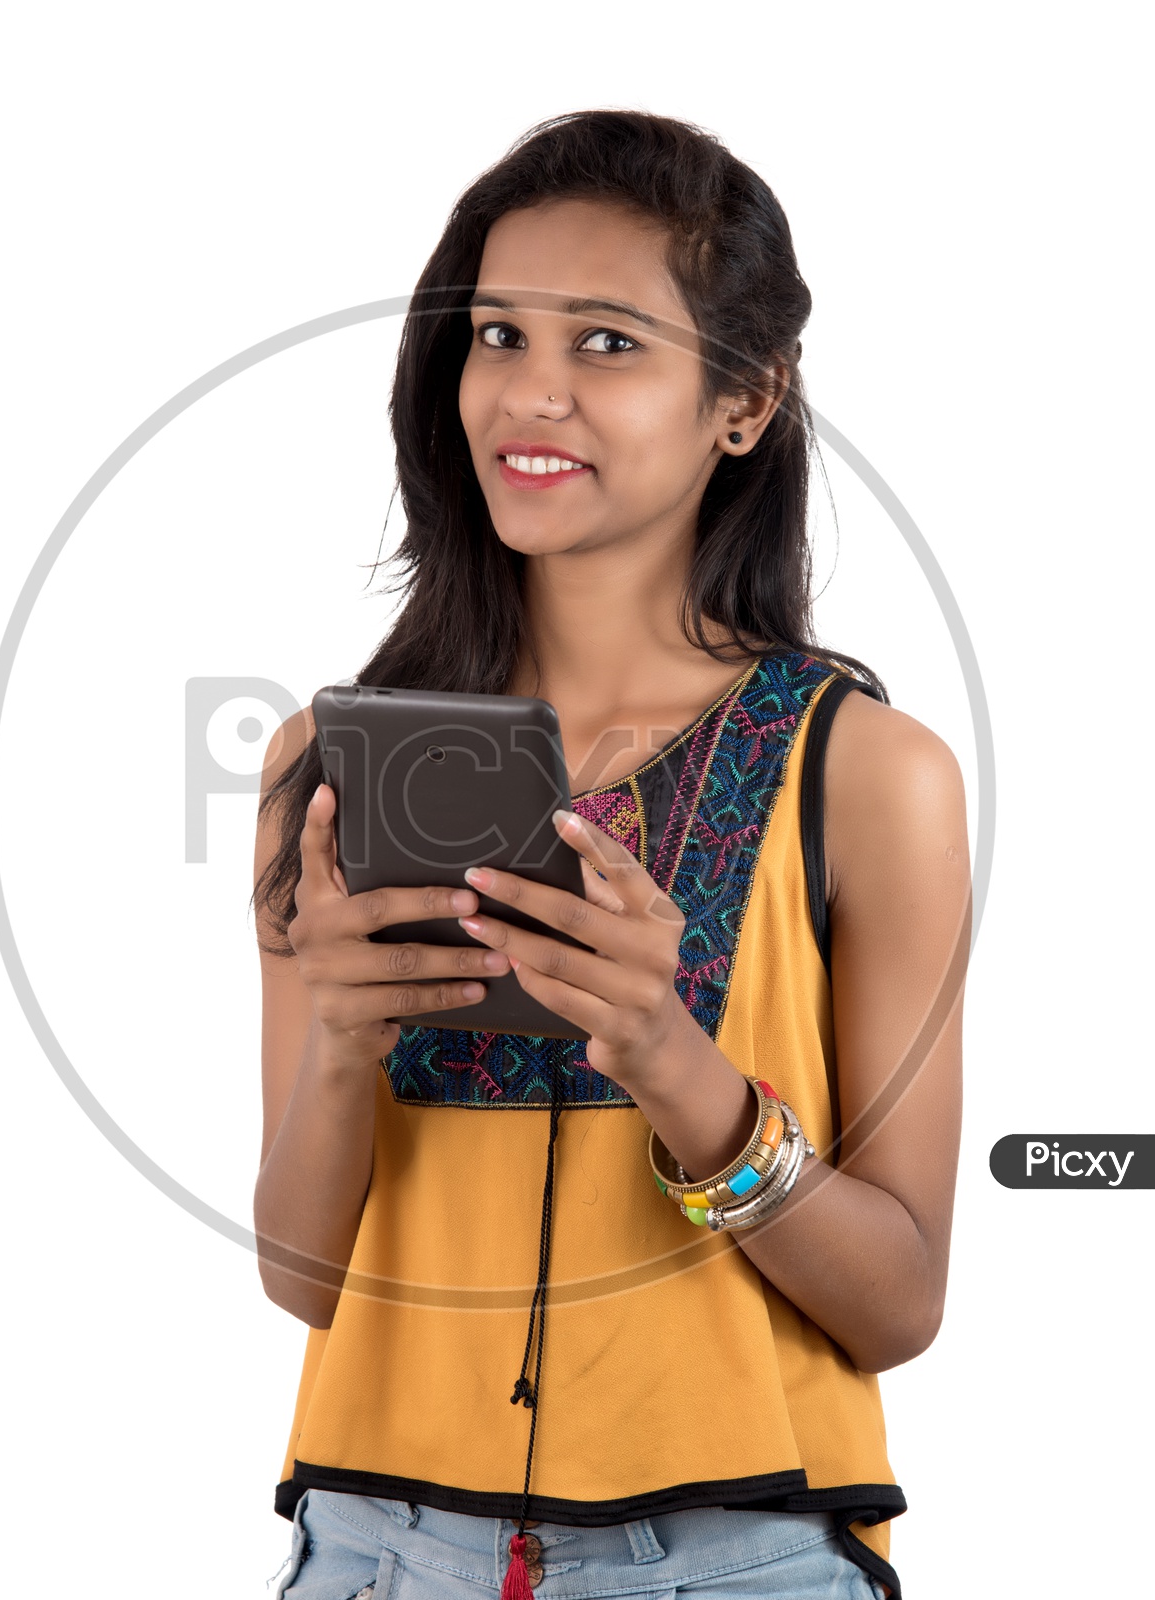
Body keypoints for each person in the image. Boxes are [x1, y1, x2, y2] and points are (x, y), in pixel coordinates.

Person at [251, 110, 968, 1600]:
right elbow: (303, 1277)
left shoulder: (870, 775)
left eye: (609, 344)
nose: (531, 390)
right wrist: (336, 1044)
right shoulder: (323, 765)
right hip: (377, 1551)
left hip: (737, 1559)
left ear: (746, 402)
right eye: (500, 332)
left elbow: (898, 1303)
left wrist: (669, 1056)